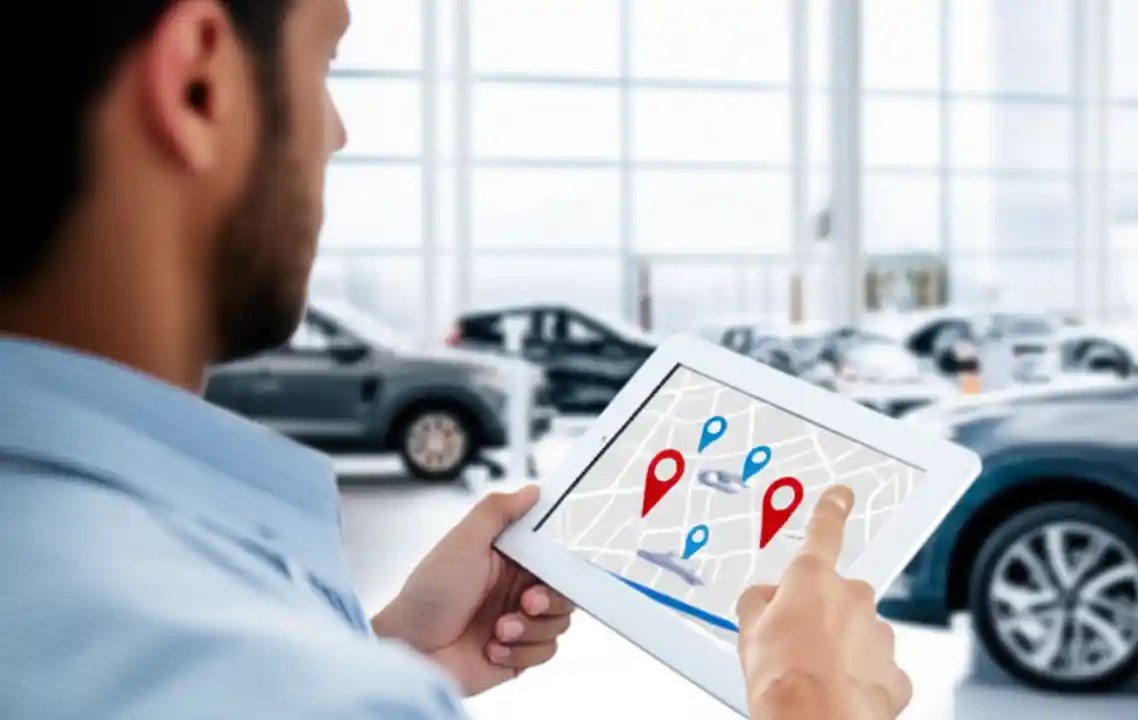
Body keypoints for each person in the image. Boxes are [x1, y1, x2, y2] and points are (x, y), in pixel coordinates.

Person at [0, 1, 910, 719]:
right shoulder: (271, 682)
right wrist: (812, 700)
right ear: (201, 82)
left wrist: (389, 655)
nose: (337, 132)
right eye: (323, 61)